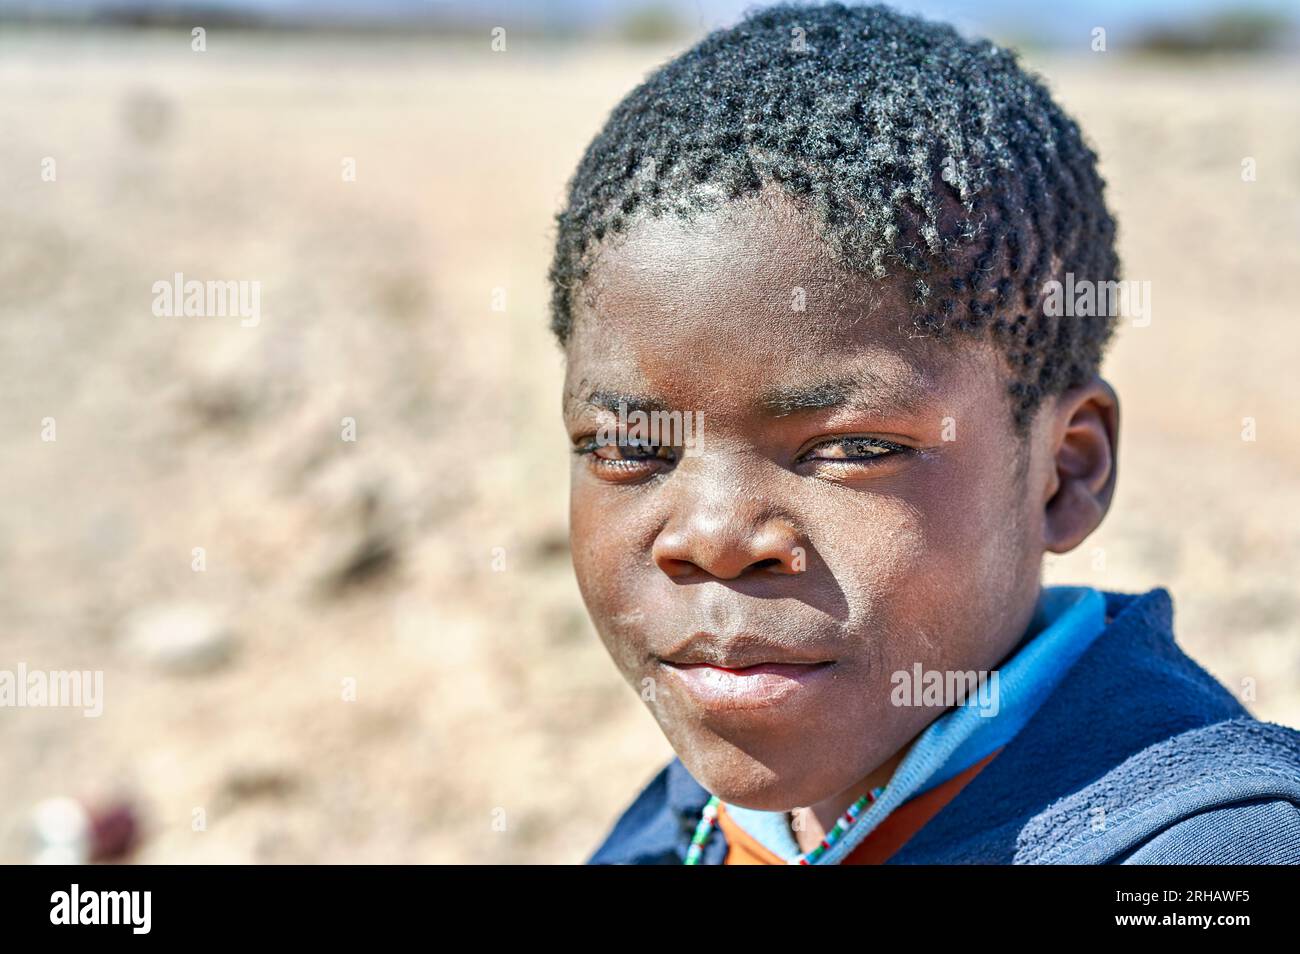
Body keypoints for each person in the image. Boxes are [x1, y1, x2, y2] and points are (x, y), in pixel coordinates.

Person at [546, 2, 1300, 864]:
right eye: (628, 450)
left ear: (1066, 470)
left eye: (852, 448)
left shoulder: (1213, 855)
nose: (712, 538)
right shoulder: (691, 828)